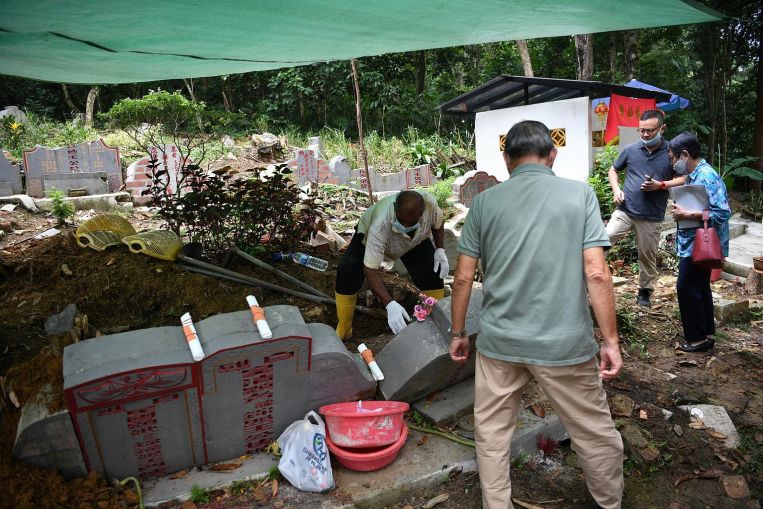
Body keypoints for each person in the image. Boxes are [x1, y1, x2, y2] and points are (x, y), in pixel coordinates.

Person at [450, 120, 624, 509]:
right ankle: (608, 502)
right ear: (553, 155)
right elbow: (597, 272)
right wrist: (610, 341)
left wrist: (458, 331)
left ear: (506, 159)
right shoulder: (579, 194)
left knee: (492, 433)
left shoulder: (483, 203)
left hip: (500, 343)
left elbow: (463, 278)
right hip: (564, 343)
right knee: (594, 433)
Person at [334, 189, 448, 338]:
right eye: (402, 221)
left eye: (411, 222)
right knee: (347, 272)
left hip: (415, 239)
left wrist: (440, 249)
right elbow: (370, 269)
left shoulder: (430, 205)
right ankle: (344, 328)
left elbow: (438, 223)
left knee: (433, 273)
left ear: (421, 213)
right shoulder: (379, 223)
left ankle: (436, 322)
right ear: (395, 208)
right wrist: (390, 304)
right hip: (370, 236)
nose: (406, 225)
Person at [607, 109, 685, 307]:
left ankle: (644, 293)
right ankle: (592, 279)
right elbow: (613, 170)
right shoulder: (631, 149)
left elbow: (686, 177)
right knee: (602, 240)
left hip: (651, 216)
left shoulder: (671, 153)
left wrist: (661, 185)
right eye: (641, 131)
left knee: (647, 257)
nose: (645, 135)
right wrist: (617, 190)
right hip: (625, 210)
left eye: (650, 131)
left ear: (662, 128)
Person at [669, 132, 731, 352]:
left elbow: (722, 213)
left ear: (685, 154)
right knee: (700, 286)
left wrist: (689, 214)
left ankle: (697, 339)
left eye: (674, 158)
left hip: (700, 246)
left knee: (686, 287)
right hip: (694, 243)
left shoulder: (707, 176)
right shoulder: (694, 174)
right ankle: (705, 334)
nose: (673, 163)